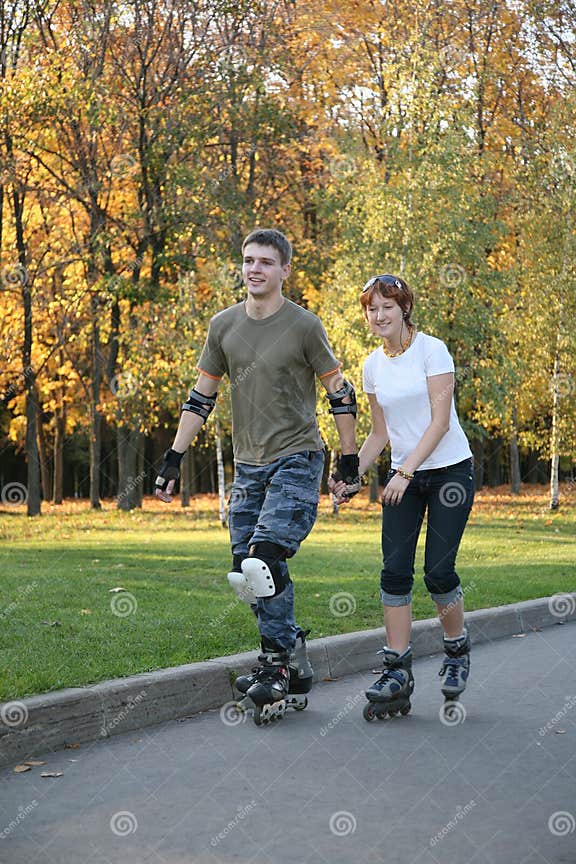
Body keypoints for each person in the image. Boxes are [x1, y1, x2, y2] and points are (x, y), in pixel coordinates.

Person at [155, 228, 359, 717]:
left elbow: (340, 392)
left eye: (266, 262)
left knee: (263, 557)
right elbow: (200, 397)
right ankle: (292, 656)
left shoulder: (305, 326)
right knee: (243, 576)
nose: (255, 269)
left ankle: (275, 664)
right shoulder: (223, 326)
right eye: (248, 260)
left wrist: (348, 459)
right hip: (248, 466)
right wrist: (173, 457)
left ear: (285, 269)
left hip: (297, 457)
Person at [330, 274, 474, 717]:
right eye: (371, 309)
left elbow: (440, 422)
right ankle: (397, 669)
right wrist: (352, 474)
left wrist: (405, 470)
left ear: (404, 308)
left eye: (387, 307)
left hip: (448, 472)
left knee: (437, 571)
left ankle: (456, 650)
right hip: (403, 477)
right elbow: (380, 432)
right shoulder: (372, 365)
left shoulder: (433, 350)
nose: (378, 315)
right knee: (393, 573)